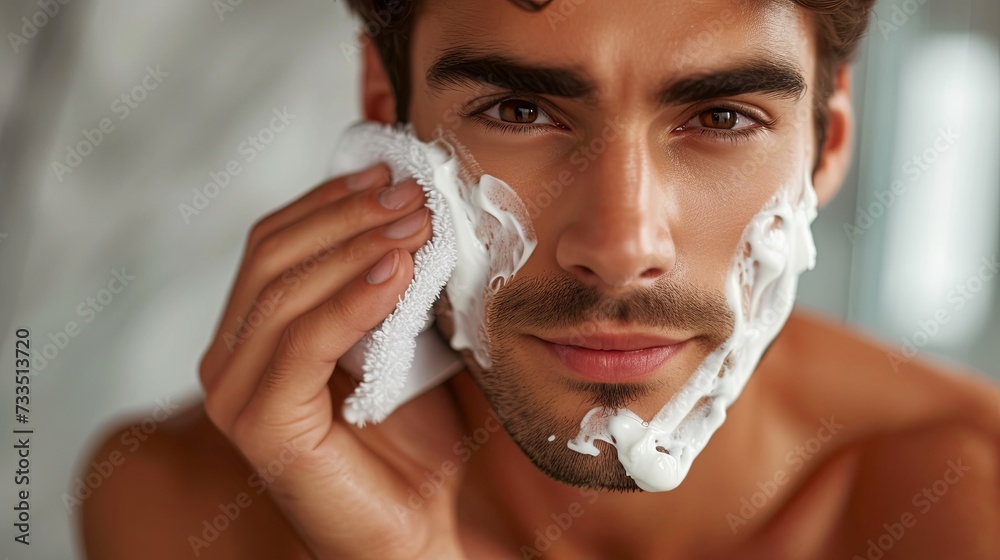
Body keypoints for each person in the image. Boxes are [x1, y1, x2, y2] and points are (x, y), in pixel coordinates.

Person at [80, 0, 1000, 558]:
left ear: (826, 145)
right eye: (519, 109)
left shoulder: (969, 503)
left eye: (721, 116)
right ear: (382, 107)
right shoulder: (185, 502)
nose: (621, 243)